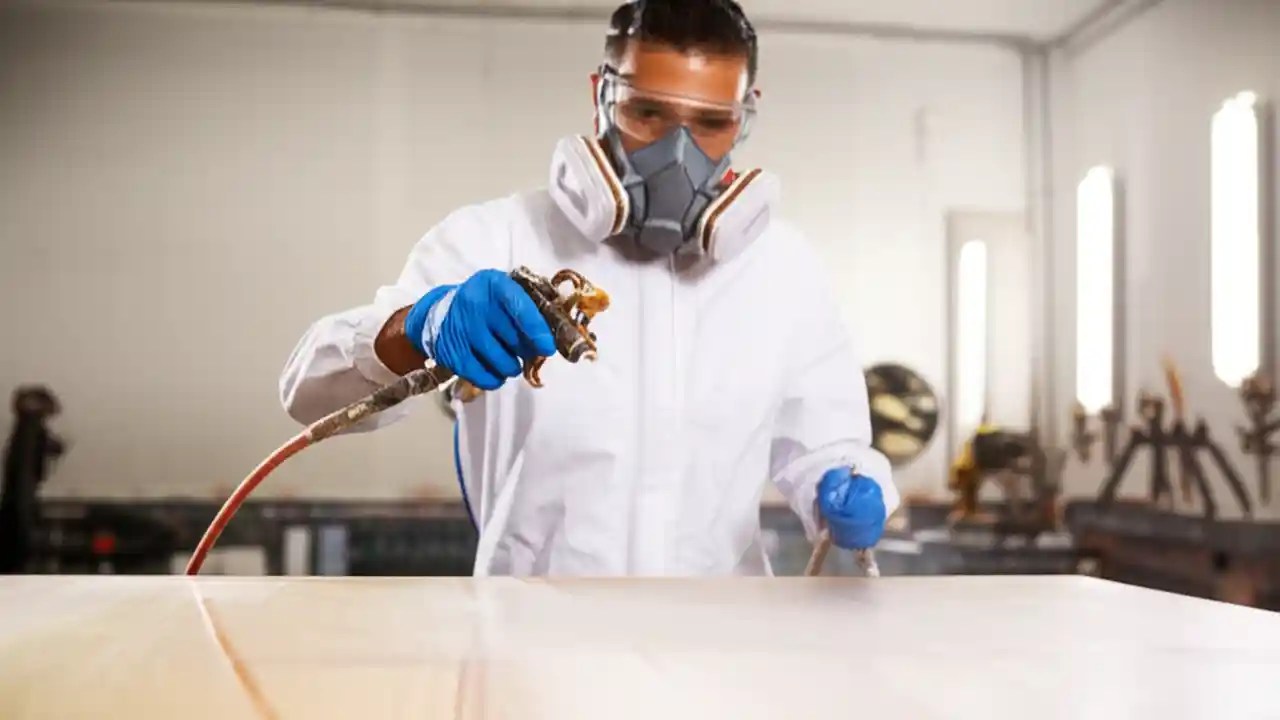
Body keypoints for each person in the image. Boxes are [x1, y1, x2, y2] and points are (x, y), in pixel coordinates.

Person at [280, 0, 899, 576]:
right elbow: (308, 392)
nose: (677, 154)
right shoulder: (495, 239)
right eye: (647, 113)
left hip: (718, 655)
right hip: (531, 651)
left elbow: (826, 447)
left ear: (744, 117)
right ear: (601, 94)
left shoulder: (782, 269)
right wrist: (417, 328)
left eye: (711, 122)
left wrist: (844, 486)